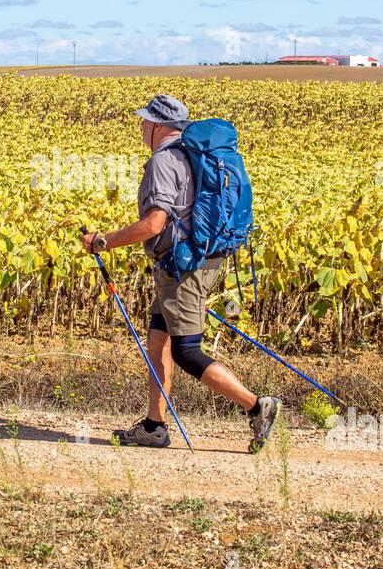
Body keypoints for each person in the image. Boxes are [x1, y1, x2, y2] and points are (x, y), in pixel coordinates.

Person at [80, 93, 281, 452]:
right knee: (159, 337)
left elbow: (153, 224)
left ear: (158, 125)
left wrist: (103, 242)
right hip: (201, 259)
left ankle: (256, 405)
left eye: (144, 121)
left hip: (184, 265)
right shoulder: (192, 153)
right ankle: (155, 426)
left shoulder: (163, 161)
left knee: (187, 350)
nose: (141, 127)